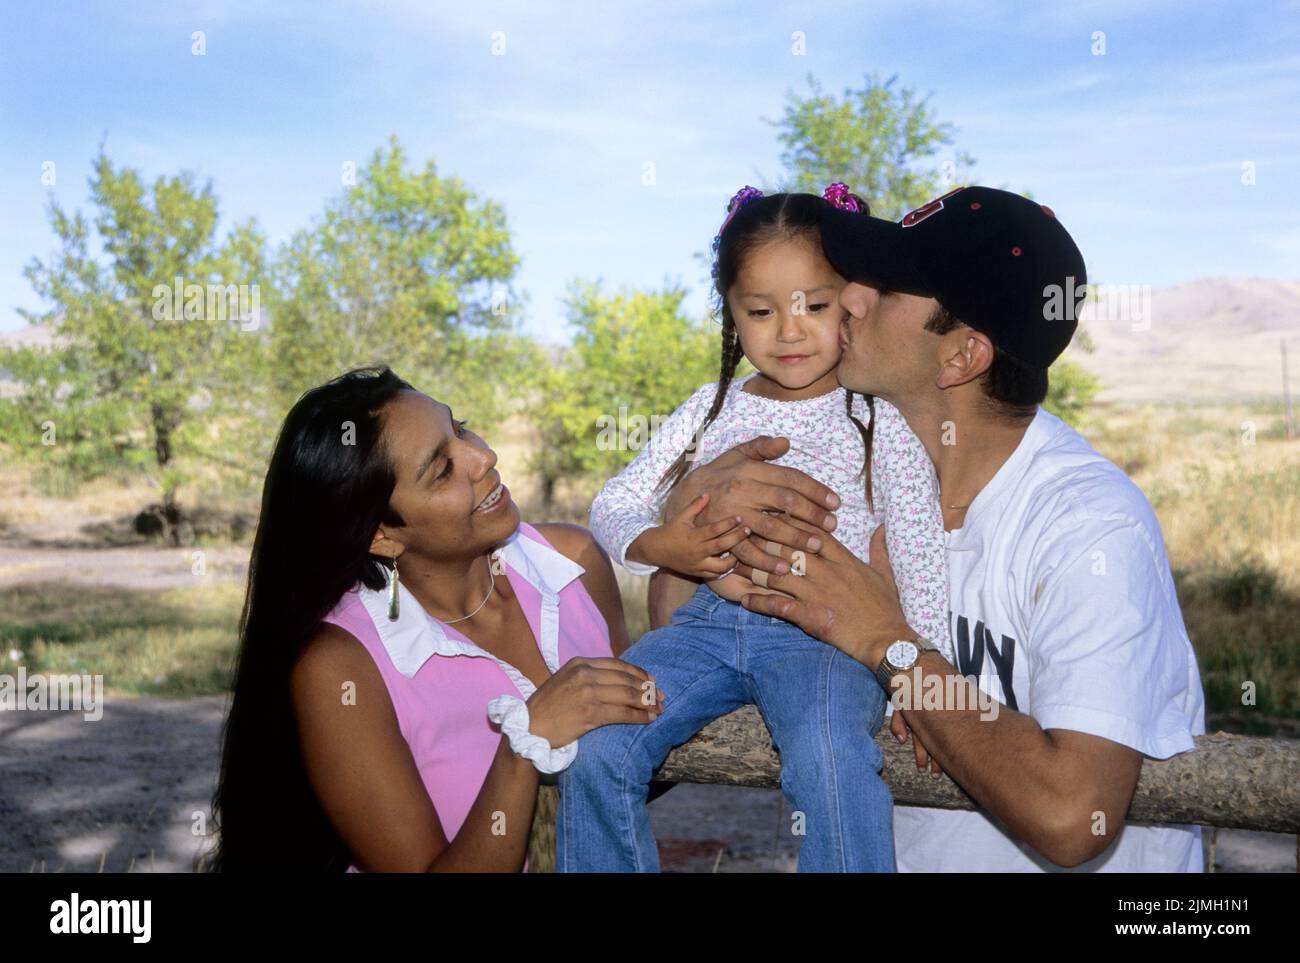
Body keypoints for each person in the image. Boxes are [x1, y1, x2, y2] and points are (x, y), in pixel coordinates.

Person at [663, 185, 1207, 871]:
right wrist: (688, 532)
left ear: (962, 357)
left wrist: (891, 646)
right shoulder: (844, 468)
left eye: (885, 289)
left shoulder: (1088, 523)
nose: (849, 297)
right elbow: (698, 660)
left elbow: (1073, 816)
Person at [557, 185, 949, 872]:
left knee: (828, 755)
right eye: (761, 311)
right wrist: (663, 544)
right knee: (597, 740)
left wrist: (920, 681)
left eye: (814, 306)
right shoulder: (711, 409)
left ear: (850, 303)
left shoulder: (877, 416)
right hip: (706, 627)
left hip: (824, 637)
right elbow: (615, 502)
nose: (790, 331)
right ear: (732, 316)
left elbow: (917, 550)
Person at [210, 366, 664, 872]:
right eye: (441, 469)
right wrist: (523, 744)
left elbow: (640, 760)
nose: (483, 456)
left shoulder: (574, 563)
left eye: (461, 428)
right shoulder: (341, 668)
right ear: (381, 534)